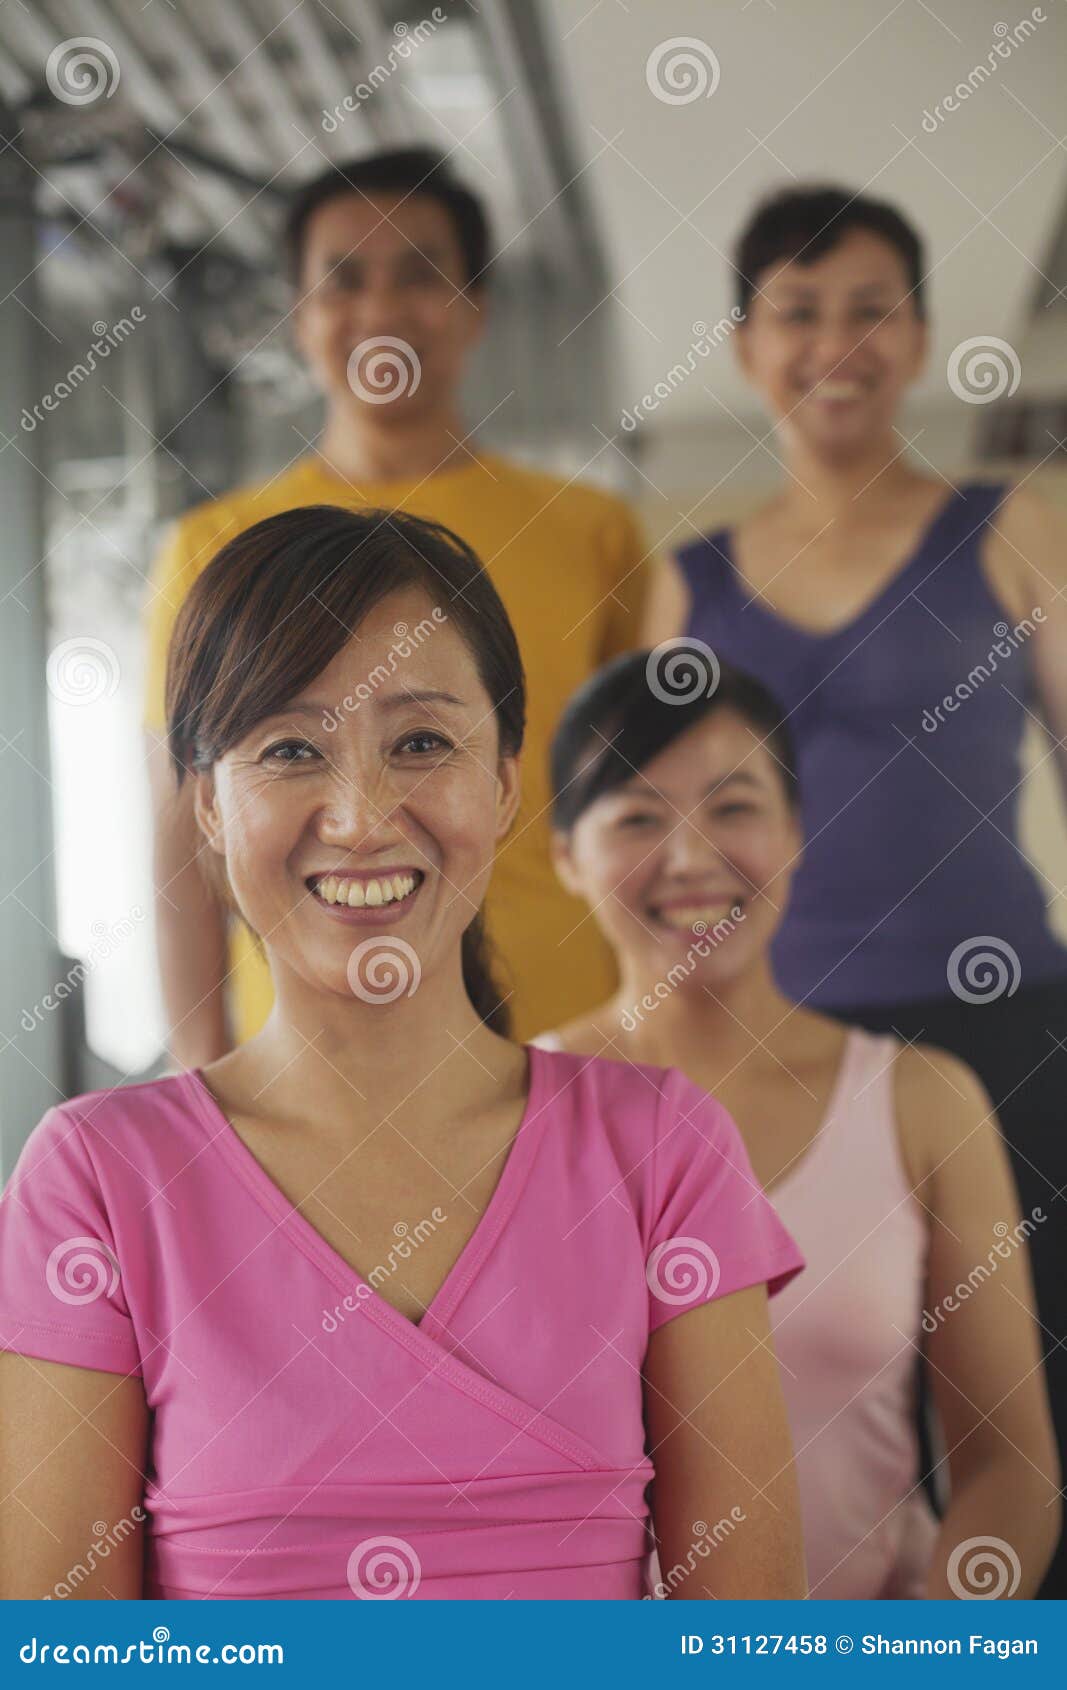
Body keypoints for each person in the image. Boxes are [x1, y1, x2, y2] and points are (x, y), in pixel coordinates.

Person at [0, 508, 806, 1602]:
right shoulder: (97, 1179)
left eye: (421, 743)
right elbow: (72, 1658)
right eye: (290, 749)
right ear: (208, 808)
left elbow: (744, 1648)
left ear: (507, 786)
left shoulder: (660, 1152)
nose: (361, 815)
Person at [643, 184, 1067, 1596]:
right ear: (743, 343)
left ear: (924, 335)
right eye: (797, 310)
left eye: (869, 307)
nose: (835, 341)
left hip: (1001, 1024)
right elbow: (640, 837)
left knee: (1028, 1403)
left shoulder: (1015, 525)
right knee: (806, 1399)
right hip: (777, 1053)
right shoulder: (679, 584)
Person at [534, 649, 1060, 1599]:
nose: (690, 858)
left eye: (733, 807)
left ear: (796, 831)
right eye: (638, 817)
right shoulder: (498, 1112)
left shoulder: (920, 1101)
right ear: (566, 856)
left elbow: (1007, 1468)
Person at [144, 146, 651, 1064]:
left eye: (419, 275)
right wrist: (201, 1078)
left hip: (569, 1032)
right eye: (344, 279)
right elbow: (183, 840)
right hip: (305, 1051)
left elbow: (647, 805)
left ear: (474, 306)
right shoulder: (210, 551)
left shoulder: (590, 533)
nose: (380, 311)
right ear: (300, 317)